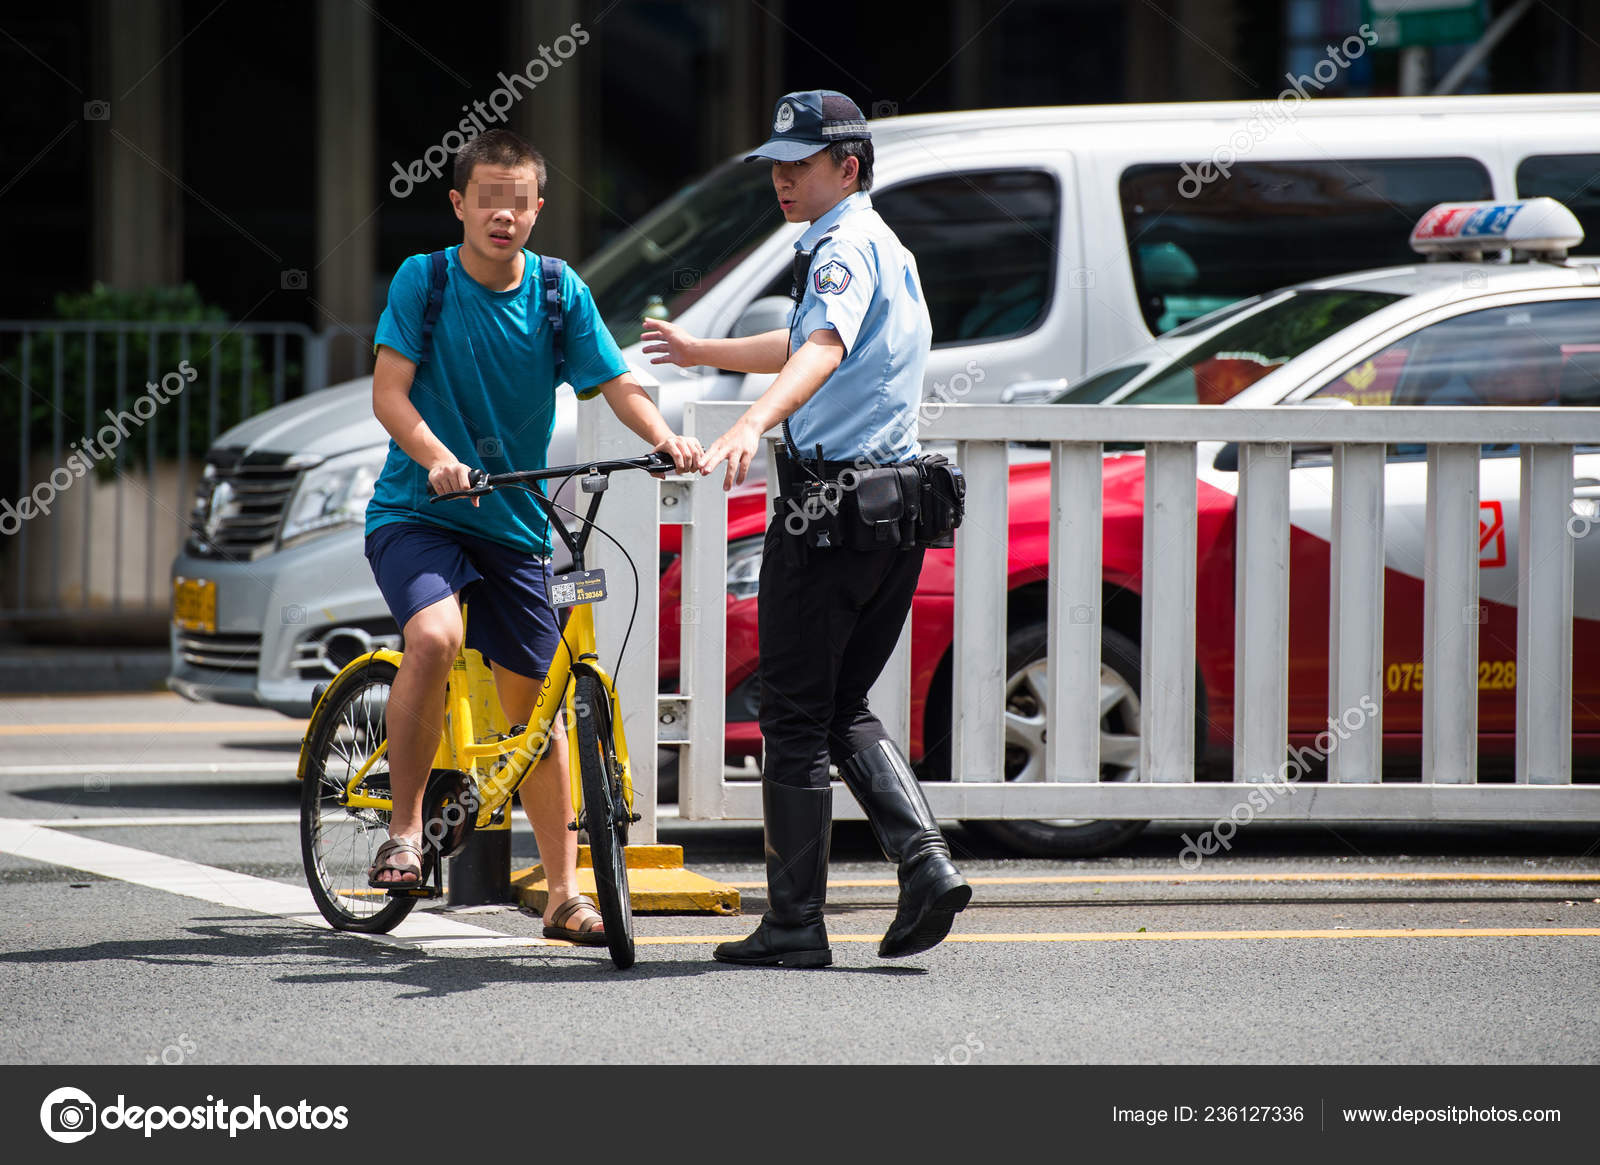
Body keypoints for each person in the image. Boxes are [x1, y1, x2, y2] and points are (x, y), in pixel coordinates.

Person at [643, 90, 970, 966]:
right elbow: (812, 344)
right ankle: (926, 862)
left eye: (799, 164)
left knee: (791, 712)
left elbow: (819, 351)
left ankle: (796, 923)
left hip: (830, 508)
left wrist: (750, 423)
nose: (781, 179)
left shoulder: (841, 250)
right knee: (838, 706)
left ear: (847, 168)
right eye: (775, 165)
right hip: (897, 507)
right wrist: (704, 353)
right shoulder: (879, 246)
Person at [363, 129, 701, 945]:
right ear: (459, 205)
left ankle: (561, 893)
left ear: (538, 207)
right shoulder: (426, 280)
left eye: (517, 201)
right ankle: (405, 833)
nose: (502, 215)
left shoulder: (557, 292)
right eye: (487, 199)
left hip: (513, 524)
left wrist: (665, 440)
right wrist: (440, 460)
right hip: (419, 512)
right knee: (436, 637)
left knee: (541, 706)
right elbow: (389, 394)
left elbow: (616, 384)